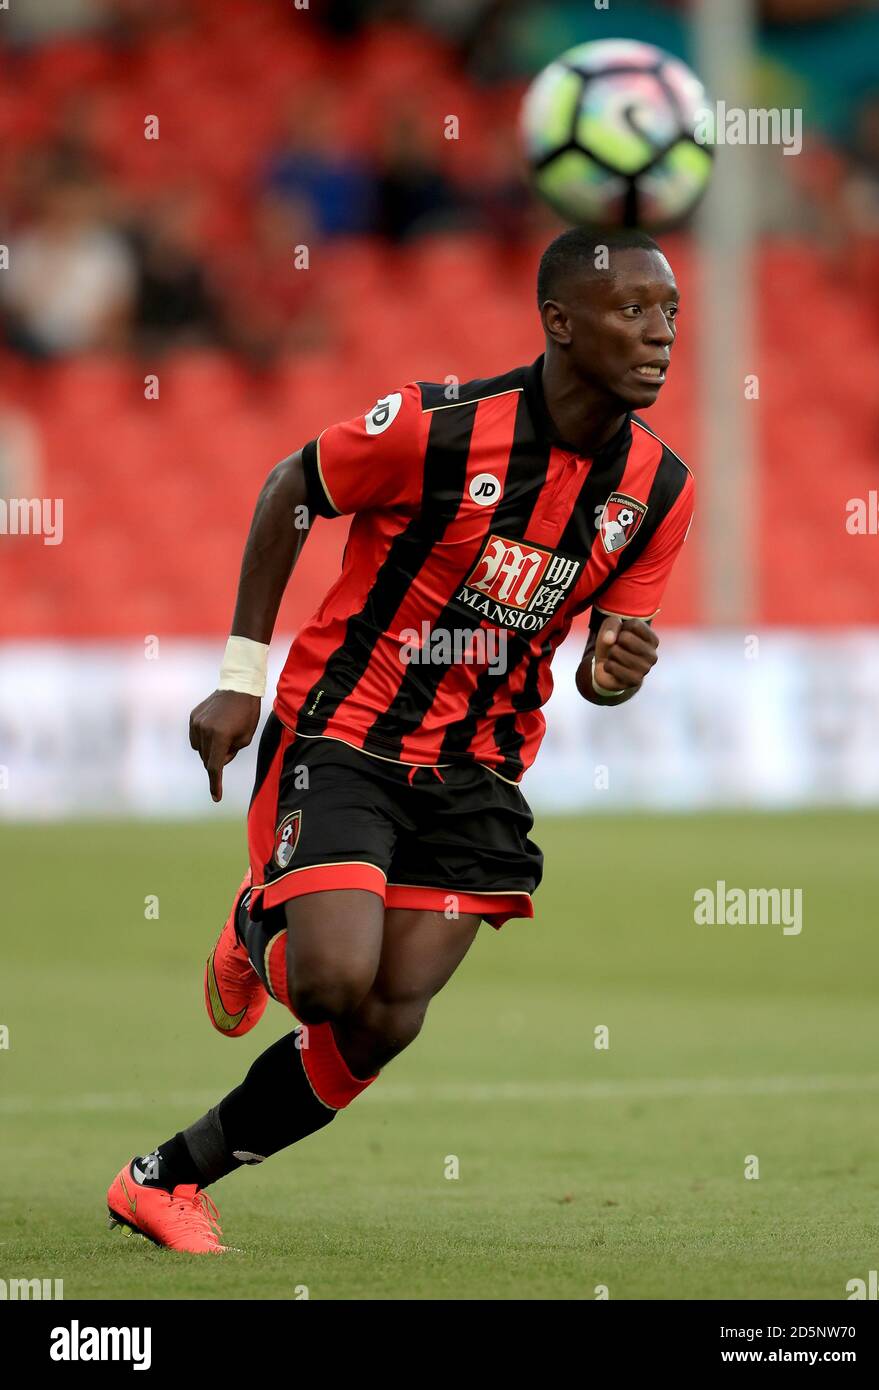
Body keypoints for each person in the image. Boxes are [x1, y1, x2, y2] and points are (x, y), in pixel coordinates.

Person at [105, 227, 694, 1252]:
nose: (659, 334)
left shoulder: (659, 489)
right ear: (560, 322)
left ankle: (164, 1179)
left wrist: (610, 676)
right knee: (333, 978)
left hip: (480, 764)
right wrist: (239, 677)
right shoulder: (441, 427)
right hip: (347, 726)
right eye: (633, 309)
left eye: (670, 312)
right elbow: (292, 487)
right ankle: (258, 921)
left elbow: (605, 663)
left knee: (385, 1017)